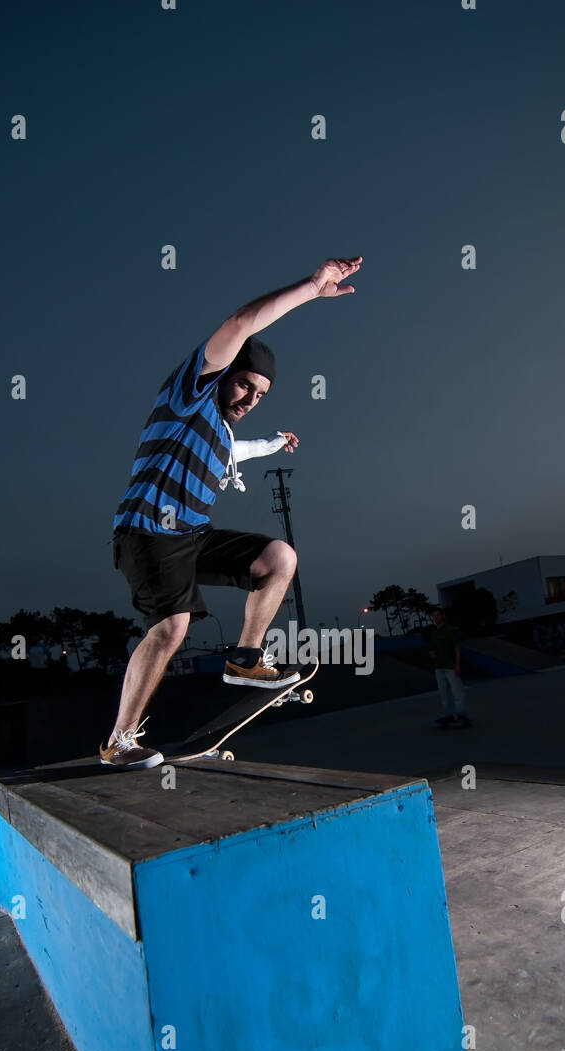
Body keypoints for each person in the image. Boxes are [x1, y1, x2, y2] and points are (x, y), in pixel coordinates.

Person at [101, 255, 363, 769]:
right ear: (223, 374)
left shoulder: (219, 434)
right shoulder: (188, 396)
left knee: (279, 557)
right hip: (148, 531)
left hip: (191, 536)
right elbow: (241, 323)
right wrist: (311, 288)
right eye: (244, 384)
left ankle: (244, 659)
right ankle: (120, 740)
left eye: (260, 394)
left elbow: (241, 450)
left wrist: (274, 441)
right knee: (172, 627)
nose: (249, 398)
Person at [427, 607, 472, 728]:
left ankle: (462, 715)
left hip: (451, 666)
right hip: (439, 667)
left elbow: (456, 648)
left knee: (457, 691)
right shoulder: (433, 633)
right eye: (433, 616)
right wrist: (431, 653)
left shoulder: (450, 630)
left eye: (437, 615)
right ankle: (448, 715)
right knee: (443, 693)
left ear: (443, 616)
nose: (435, 618)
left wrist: (457, 665)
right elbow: (431, 649)